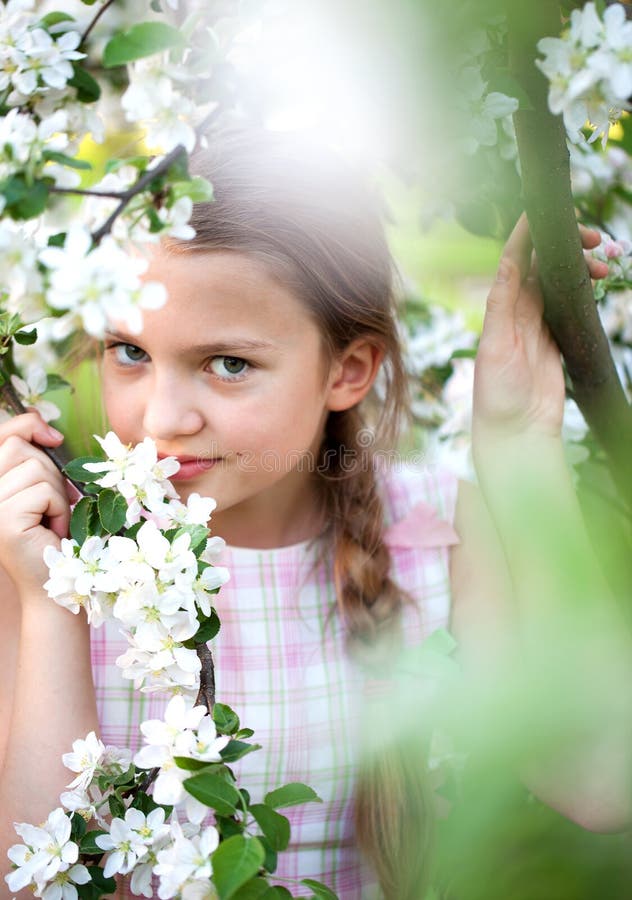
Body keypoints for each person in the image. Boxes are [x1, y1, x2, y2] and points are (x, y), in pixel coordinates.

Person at [0, 128, 629, 900]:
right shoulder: (51, 550)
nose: (161, 418)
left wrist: (519, 442)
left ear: (348, 370)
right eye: (129, 351)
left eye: (228, 364)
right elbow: (31, 885)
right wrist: (49, 607)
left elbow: (602, 778)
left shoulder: (435, 531)